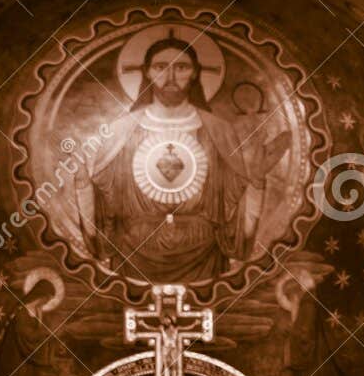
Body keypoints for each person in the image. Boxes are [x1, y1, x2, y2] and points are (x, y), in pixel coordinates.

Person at [75, 38, 261, 285]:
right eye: (161, 67)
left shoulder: (218, 130)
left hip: (203, 255)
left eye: (181, 67)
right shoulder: (121, 130)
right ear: (147, 72)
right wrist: (82, 184)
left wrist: (258, 182)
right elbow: (103, 202)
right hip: (135, 252)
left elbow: (236, 202)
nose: (170, 76)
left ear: (194, 73)